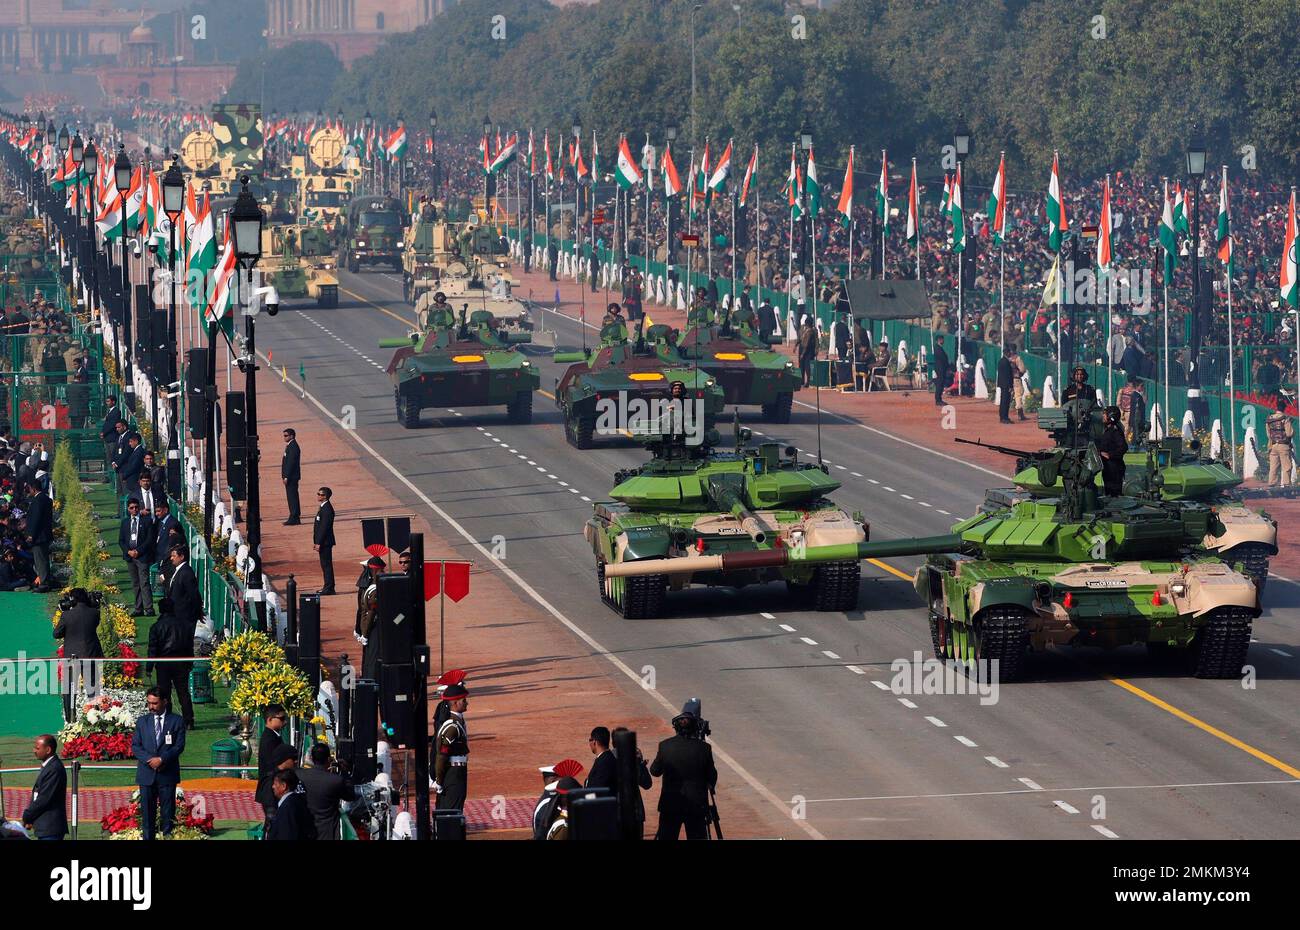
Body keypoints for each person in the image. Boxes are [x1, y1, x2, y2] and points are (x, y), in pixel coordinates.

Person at [649, 709, 717, 840]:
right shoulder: (704, 748)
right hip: (696, 805)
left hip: (670, 805)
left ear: (676, 727)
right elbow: (712, 776)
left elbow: (655, 771)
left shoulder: (665, 746)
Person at [131, 687, 186, 840]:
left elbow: (179, 746)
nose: (151, 707)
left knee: (168, 816)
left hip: (167, 775)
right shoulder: (142, 721)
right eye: (149, 703)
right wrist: (151, 760)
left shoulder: (177, 721)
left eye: (154, 703)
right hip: (146, 775)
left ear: (164, 702)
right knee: (147, 817)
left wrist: (162, 759)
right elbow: (135, 746)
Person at [147, 597, 194, 729]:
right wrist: (190, 661)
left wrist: (149, 667)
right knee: (183, 692)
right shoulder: (184, 625)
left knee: (164, 693)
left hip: (163, 663)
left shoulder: (156, 627)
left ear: (161, 610)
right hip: (181, 661)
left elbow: (152, 648)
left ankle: (168, 719)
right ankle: (188, 720)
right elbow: (189, 645)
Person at [296, 742, 357, 840]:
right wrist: (345, 772)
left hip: (303, 829)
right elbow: (350, 796)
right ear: (329, 759)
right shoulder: (335, 780)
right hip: (327, 831)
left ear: (311, 758)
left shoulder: (299, 775)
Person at [22, 734, 67, 840]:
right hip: (46, 827)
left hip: (51, 827)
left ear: (48, 750)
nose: (34, 750)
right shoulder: (49, 766)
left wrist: (27, 816)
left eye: (37, 748)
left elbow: (43, 799)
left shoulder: (54, 769)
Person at [432, 682, 469, 811]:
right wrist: (439, 781)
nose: (467, 703)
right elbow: (442, 756)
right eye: (463, 700)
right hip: (452, 775)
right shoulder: (452, 727)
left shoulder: (458, 723)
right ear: (454, 703)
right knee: (451, 811)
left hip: (457, 774)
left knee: (455, 808)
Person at [612, 725, 653, 840]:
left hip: (613, 813)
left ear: (613, 742)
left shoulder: (606, 758)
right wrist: (640, 763)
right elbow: (647, 784)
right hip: (635, 813)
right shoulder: (633, 759)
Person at [119, 498, 156, 617]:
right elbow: (121, 540)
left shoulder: (147, 521)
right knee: (135, 583)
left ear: (139, 508)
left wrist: (138, 551)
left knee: (144, 582)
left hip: (142, 556)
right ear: (128, 509)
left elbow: (150, 539)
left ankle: (149, 608)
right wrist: (128, 551)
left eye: (136, 507)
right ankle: (138, 608)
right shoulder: (125, 522)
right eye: (131, 508)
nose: (134, 509)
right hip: (130, 557)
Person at [256, 704, 289, 833]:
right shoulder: (269, 739)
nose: (284, 722)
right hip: (270, 789)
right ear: (270, 720)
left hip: (272, 787)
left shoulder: (273, 736)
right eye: (281, 719)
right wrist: (283, 766)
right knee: (272, 825)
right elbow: (271, 766)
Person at [165, 546, 202, 641]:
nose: (171, 558)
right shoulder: (178, 570)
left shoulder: (186, 572)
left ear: (182, 557)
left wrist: (196, 613)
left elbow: (194, 595)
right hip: (177, 615)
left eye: (174, 556)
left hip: (184, 616)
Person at [267, 770, 316, 841]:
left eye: (275, 783)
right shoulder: (295, 801)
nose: (273, 786)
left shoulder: (287, 808)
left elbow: (287, 835)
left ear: (284, 786)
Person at [23, 478, 52, 592]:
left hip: (38, 536)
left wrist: (31, 535)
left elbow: (36, 519)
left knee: (40, 560)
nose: (28, 490)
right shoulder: (46, 499)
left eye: (29, 488)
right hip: (45, 534)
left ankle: (43, 583)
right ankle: (46, 581)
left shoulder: (37, 501)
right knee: (44, 559)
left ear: (33, 488)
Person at [1099, 406, 1129, 496]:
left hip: (1114, 468)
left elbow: (1123, 447)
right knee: (1108, 492)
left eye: (1105, 414)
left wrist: (1109, 455)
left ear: (1110, 417)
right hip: (1108, 467)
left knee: (1114, 494)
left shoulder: (1115, 431)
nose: (1103, 416)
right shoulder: (1108, 430)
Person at [314, 487, 336, 595]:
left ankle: (329, 588)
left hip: (325, 542)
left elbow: (324, 528)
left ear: (325, 496)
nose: (317, 495)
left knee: (326, 565)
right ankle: (327, 586)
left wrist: (319, 542)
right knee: (325, 565)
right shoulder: (324, 507)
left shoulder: (327, 509)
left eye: (319, 494)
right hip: (324, 542)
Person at [1266, 409, 1294, 487]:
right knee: (1286, 466)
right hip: (1283, 445)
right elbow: (1289, 433)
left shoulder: (1270, 419)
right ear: (1284, 408)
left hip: (1273, 445)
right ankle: (1286, 484)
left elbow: (1268, 434)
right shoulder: (1285, 419)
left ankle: (1272, 483)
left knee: (1273, 467)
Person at [584, 726, 617, 792]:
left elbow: (597, 789)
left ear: (594, 742)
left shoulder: (604, 762)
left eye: (590, 740)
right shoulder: (606, 758)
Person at [1117, 375, 1146, 443]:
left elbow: (1118, 403)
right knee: (1130, 430)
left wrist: (1121, 411)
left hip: (1123, 412)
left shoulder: (1122, 390)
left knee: (1124, 430)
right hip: (1131, 412)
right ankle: (1126, 444)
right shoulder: (1135, 392)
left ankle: (1125, 443)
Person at [282, 428, 302, 525]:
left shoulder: (293, 446)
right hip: (291, 476)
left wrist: (286, 476)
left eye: (286, 436)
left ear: (292, 436)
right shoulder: (290, 446)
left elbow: (291, 463)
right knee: (292, 496)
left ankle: (294, 516)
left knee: (292, 497)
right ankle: (294, 516)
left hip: (291, 477)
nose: (284, 437)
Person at [996, 344, 1017, 423]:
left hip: (1002, 384)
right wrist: (1010, 386)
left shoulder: (1001, 361)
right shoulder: (1006, 362)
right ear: (1007, 353)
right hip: (1006, 385)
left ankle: (1003, 416)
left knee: (1003, 401)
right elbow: (1007, 375)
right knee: (1005, 401)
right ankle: (1004, 417)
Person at [100, 399, 120, 476]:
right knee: (108, 457)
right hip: (107, 437)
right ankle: (109, 476)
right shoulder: (109, 411)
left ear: (113, 402)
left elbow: (113, 424)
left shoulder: (116, 411)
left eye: (108, 401)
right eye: (106, 401)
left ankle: (114, 476)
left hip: (112, 437)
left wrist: (104, 432)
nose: (107, 403)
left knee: (112, 457)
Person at [797, 320, 817, 388]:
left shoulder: (811, 331)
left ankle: (808, 381)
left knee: (807, 366)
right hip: (802, 347)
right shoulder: (803, 328)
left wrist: (803, 354)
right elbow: (800, 338)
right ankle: (801, 380)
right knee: (801, 365)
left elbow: (807, 343)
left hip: (808, 350)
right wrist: (796, 345)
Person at [932, 335, 951, 407]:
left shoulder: (939, 348)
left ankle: (939, 399)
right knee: (940, 383)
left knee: (941, 383)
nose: (943, 341)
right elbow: (942, 358)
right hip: (940, 368)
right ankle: (938, 400)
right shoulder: (937, 348)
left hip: (941, 368)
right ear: (939, 340)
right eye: (942, 339)